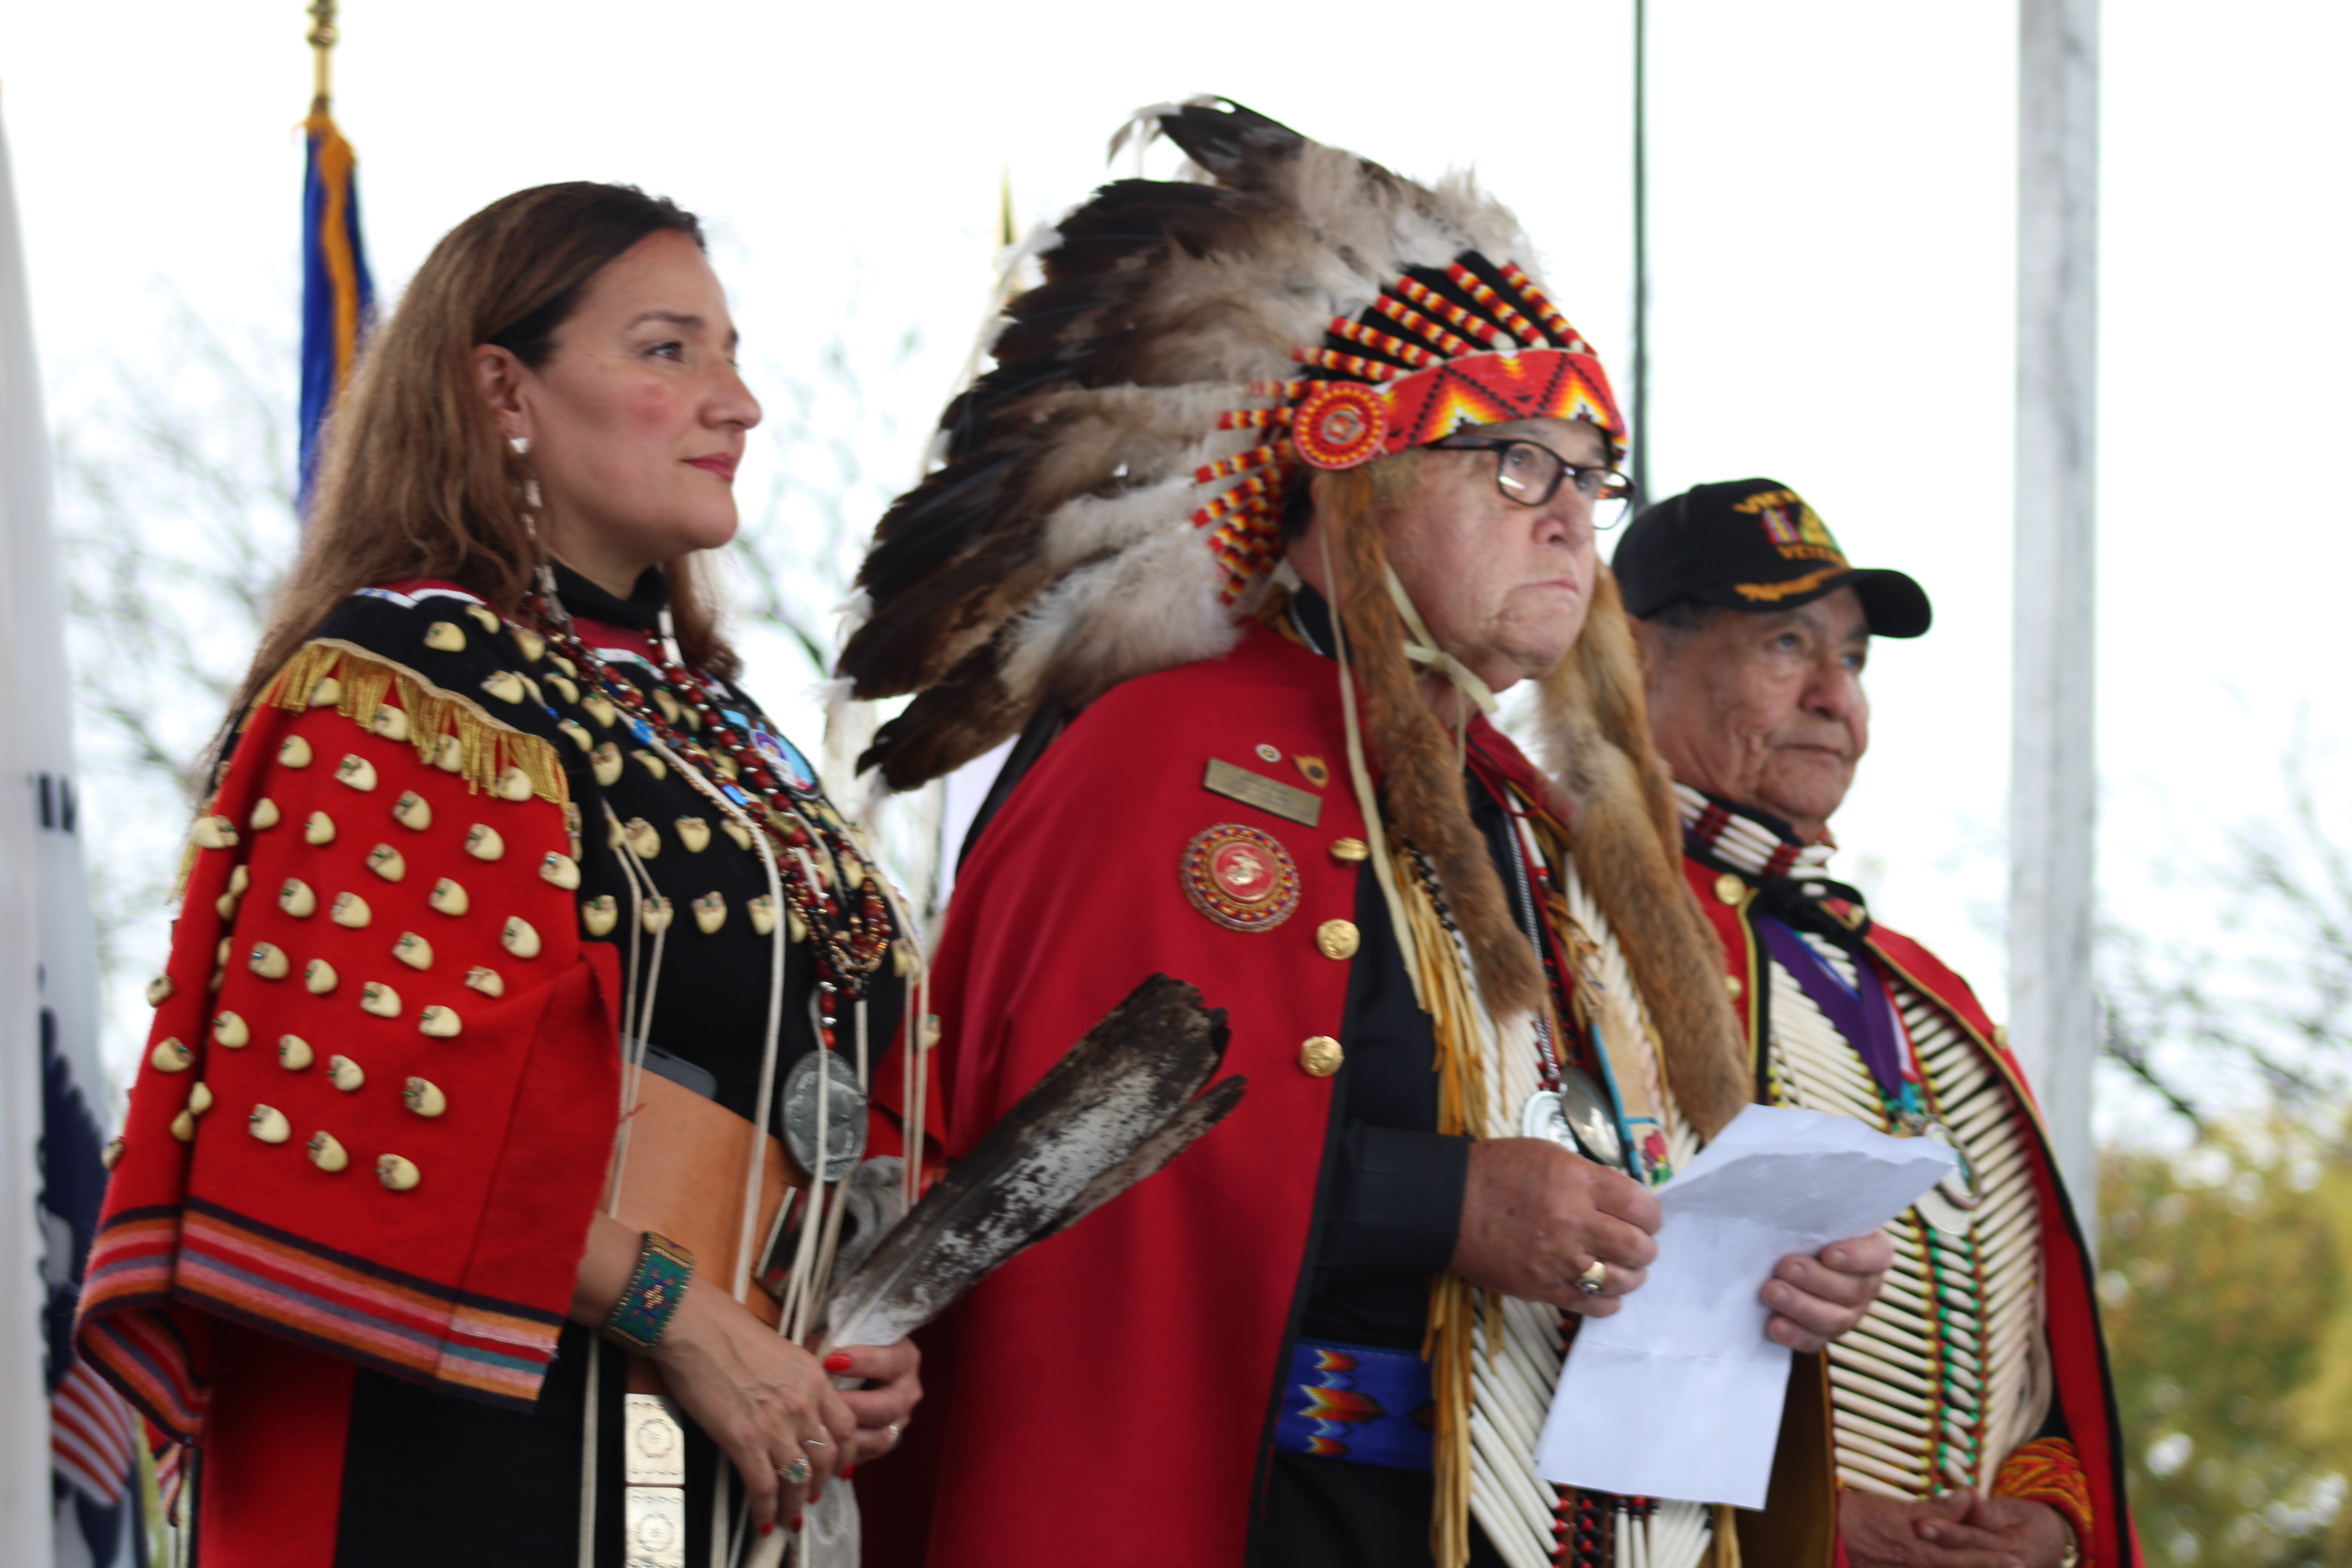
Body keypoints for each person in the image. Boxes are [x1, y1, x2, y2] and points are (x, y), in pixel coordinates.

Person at [837, 101, 1891, 1568]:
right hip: (1278, 1516)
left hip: (1517, 1514)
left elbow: (1580, 1152)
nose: (1572, 522)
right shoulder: (1179, 752)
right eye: (1518, 463)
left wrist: (1734, 1259)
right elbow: (1059, 1156)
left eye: (1593, 476)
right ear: (1359, 470)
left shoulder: (1514, 814)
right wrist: (1441, 1201)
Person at [75, 182, 920, 1566]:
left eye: (732, 350)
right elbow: (336, 1093)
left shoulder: (723, 726)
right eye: (669, 351)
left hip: (717, 1457)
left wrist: (853, 1315)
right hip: (458, 1458)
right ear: (501, 387)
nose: (740, 402)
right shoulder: (402, 680)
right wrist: (675, 1307)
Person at [1617, 478, 2139, 1568]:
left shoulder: (1923, 986)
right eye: (1784, 643)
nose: (1832, 697)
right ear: (1633, 656)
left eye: (1851, 659)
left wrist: (2049, 1518)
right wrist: (1805, 1511)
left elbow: (2041, 1366)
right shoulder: (1583, 923)